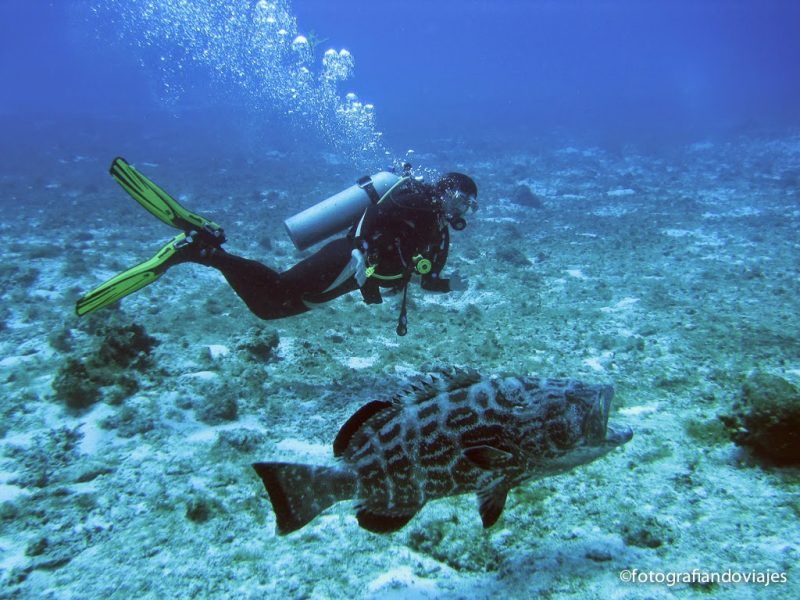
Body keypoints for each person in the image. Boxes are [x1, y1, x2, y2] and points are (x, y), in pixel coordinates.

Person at [76, 158, 478, 335]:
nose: (462, 209)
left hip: (352, 279)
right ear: (445, 190)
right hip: (347, 260)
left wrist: (450, 285)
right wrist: (365, 257)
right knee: (280, 293)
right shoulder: (414, 200)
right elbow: (375, 222)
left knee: (272, 308)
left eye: (467, 205)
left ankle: (206, 251)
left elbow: (422, 277)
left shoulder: (437, 231)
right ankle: (202, 250)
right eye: (460, 199)